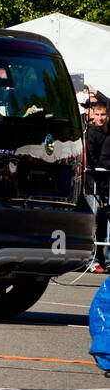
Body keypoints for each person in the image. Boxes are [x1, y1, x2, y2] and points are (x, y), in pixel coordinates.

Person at [84, 90, 110, 271]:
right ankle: (90, 260)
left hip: (104, 184)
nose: (100, 118)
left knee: (102, 222)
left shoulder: (107, 132)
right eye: (97, 114)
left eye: (103, 114)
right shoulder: (91, 132)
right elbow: (93, 161)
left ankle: (102, 259)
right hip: (92, 183)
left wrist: (97, 93)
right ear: (92, 115)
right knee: (92, 221)